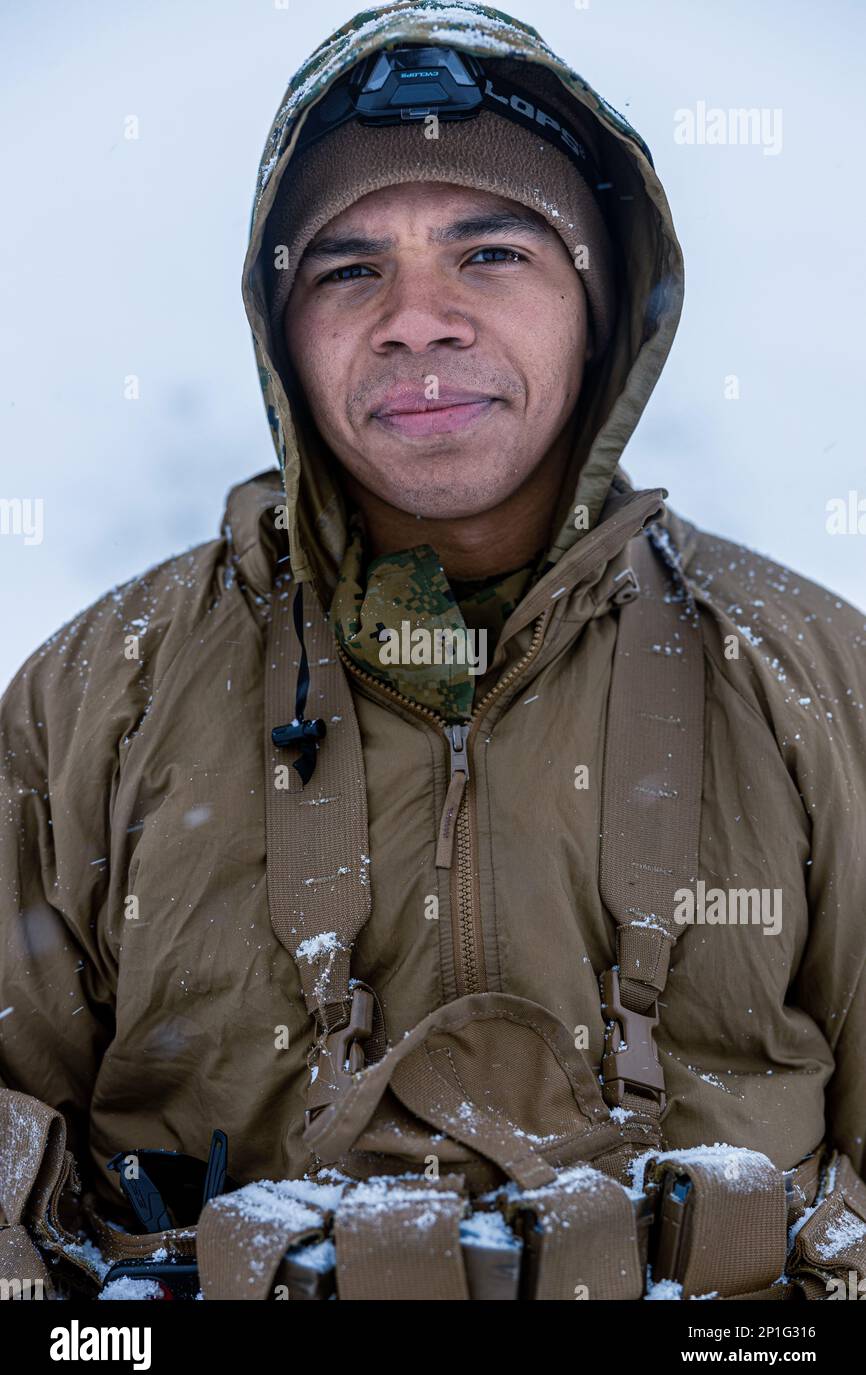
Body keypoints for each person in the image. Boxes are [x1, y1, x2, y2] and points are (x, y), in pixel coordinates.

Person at [2, 1, 864, 1302]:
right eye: (347, 269)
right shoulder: (94, 694)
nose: (417, 318)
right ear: (279, 333)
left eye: (489, 252)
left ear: (601, 301)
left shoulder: (808, 672)